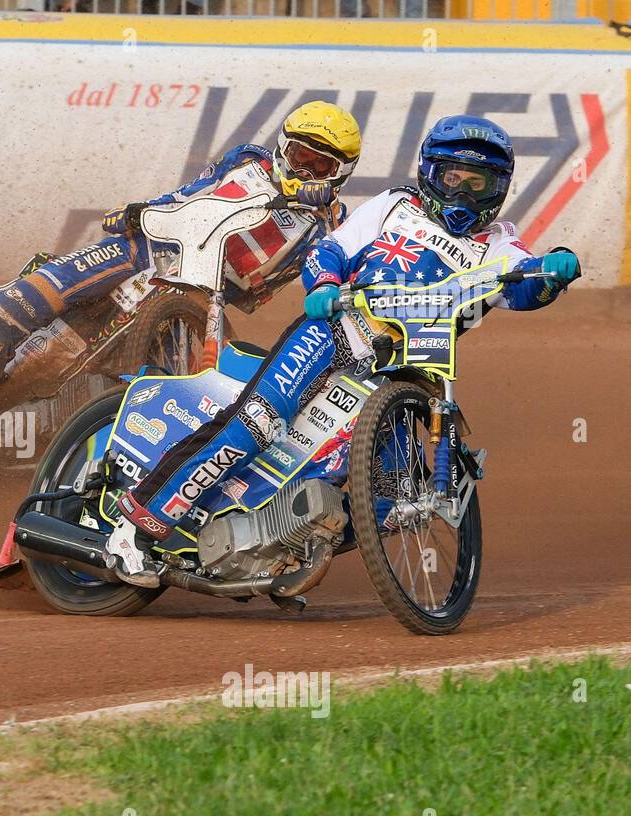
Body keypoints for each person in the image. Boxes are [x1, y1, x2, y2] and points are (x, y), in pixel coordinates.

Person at [106, 114, 581, 584]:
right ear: (429, 174)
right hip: (337, 332)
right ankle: (134, 527)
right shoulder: (396, 205)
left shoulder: (498, 245)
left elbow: (524, 285)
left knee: (394, 501)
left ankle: (286, 546)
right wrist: (326, 282)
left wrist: (554, 270)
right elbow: (329, 250)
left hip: (404, 373)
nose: (461, 195)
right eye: (452, 178)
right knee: (255, 425)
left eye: (478, 185)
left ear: (498, 191)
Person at [0, 101, 362, 413]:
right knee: (15, 307)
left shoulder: (332, 225)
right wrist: (140, 211)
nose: (305, 171)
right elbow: (188, 194)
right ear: (283, 147)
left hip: (203, 299)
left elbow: (330, 270)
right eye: (300, 157)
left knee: (188, 398)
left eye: (319, 166)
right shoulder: (247, 159)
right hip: (146, 250)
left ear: (340, 173)